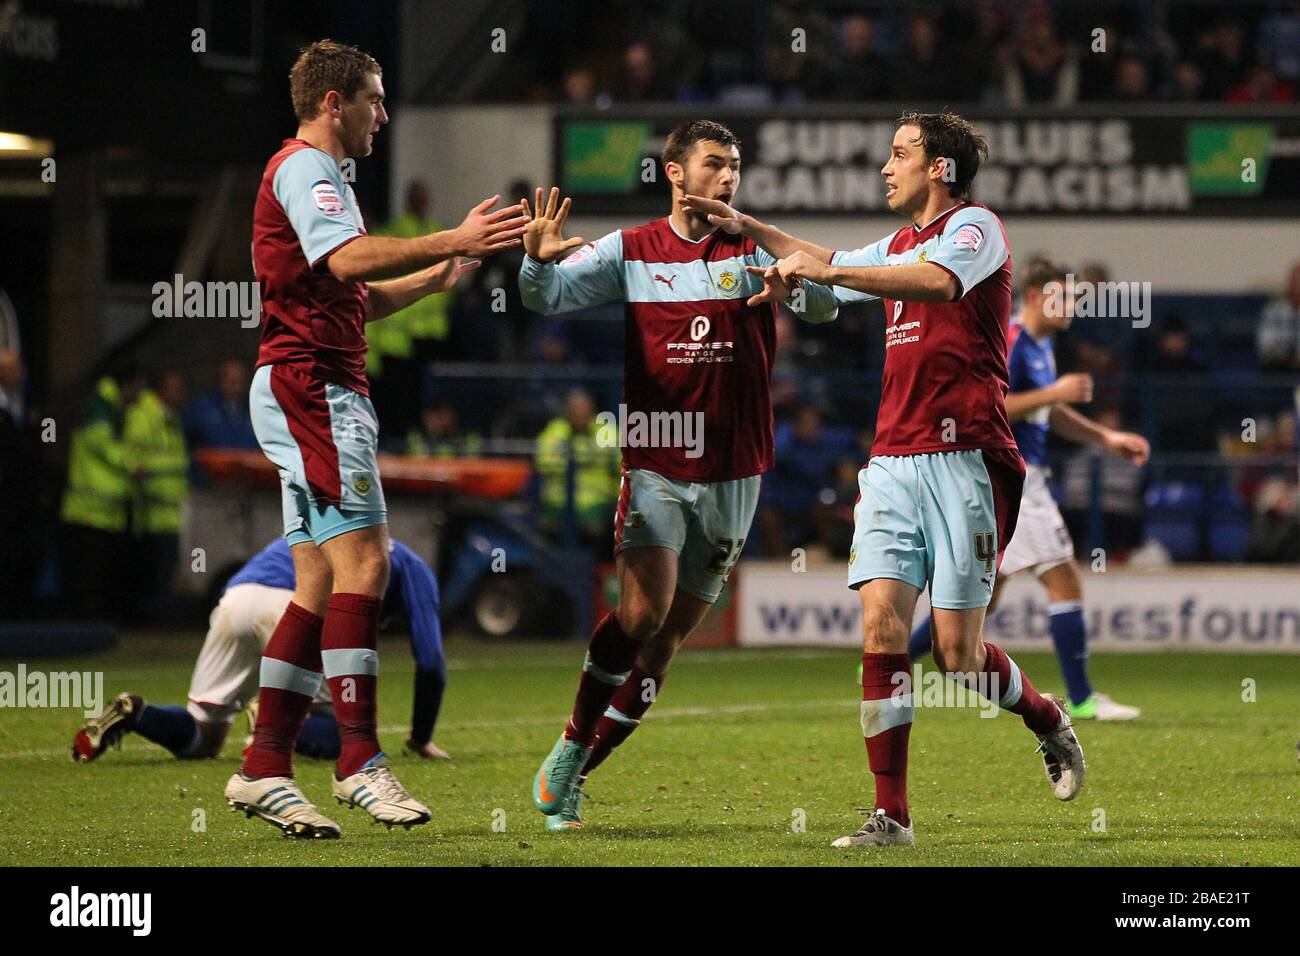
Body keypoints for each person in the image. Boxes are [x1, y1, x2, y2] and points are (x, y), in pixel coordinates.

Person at [690, 110, 1087, 848]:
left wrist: (829, 272)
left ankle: (1046, 717)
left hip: (967, 460)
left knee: (957, 656)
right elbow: (828, 260)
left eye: (900, 153)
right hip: (894, 462)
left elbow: (934, 283)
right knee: (880, 628)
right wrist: (751, 229)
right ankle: (892, 816)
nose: (886, 166)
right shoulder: (895, 245)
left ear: (940, 168)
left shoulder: (976, 229)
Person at [230, 38, 524, 839]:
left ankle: (263, 767)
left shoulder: (311, 175)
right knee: (369, 563)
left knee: (319, 585)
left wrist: (432, 278)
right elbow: (349, 259)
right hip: (314, 390)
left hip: (305, 386)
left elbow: (350, 291)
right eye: (375, 99)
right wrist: (450, 238)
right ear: (335, 103)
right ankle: (359, 760)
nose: (384, 115)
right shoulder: (308, 169)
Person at [517, 120, 838, 830]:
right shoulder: (631, 249)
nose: (728, 177)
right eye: (715, 164)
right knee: (641, 614)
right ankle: (572, 741)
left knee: (667, 640)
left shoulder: (752, 246)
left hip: (736, 467)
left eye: (736, 166)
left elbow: (827, 300)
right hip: (657, 456)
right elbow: (545, 296)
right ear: (675, 173)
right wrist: (535, 264)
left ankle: (578, 772)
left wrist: (792, 281)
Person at [907, 258, 1149, 721]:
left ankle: (889, 662)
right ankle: (1082, 699)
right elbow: (992, 404)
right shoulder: (1013, 338)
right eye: (1064, 297)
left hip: (1013, 480)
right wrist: (1054, 393)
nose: (1072, 306)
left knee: (985, 596)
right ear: (1036, 296)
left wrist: (1105, 437)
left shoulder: (1042, 346)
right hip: (1012, 476)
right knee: (1064, 579)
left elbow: (1047, 411)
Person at [72, 537, 449, 764]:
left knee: (204, 737)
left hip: (236, 599)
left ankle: (137, 714)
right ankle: (268, 713)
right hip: (294, 605)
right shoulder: (412, 568)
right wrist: (421, 738)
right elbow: (431, 661)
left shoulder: (323, 525)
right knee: (345, 731)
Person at [59, 362, 145, 620]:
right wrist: (132, 465)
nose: (141, 392)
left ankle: (91, 623)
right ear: (128, 384)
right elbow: (102, 445)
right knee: (87, 575)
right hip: (89, 510)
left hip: (103, 511)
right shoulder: (101, 408)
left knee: (96, 574)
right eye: (139, 385)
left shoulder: (112, 407)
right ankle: (84, 627)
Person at [124, 369, 189, 620]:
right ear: (161, 389)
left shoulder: (172, 419)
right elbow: (135, 459)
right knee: (153, 571)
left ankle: (161, 615)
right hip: (152, 510)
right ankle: (150, 618)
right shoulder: (144, 415)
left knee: (166, 570)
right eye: (174, 387)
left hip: (172, 510)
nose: (180, 393)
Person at [534, 388, 621, 550]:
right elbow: (543, 461)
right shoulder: (555, 430)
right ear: (567, 411)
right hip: (558, 499)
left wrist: (572, 456)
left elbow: (621, 462)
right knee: (545, 527)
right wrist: (584, 458)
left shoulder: (606, 431)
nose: (580, 414)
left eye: (584, 409)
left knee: (597, 528)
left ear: (592, 409)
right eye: (575, 409)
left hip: (597, 500)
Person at [183, 358, 259, 452]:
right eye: (229, 380)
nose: (234, 385)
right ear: (220, 380)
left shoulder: (256, 411)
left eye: (238, 380)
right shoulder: (201, 409)